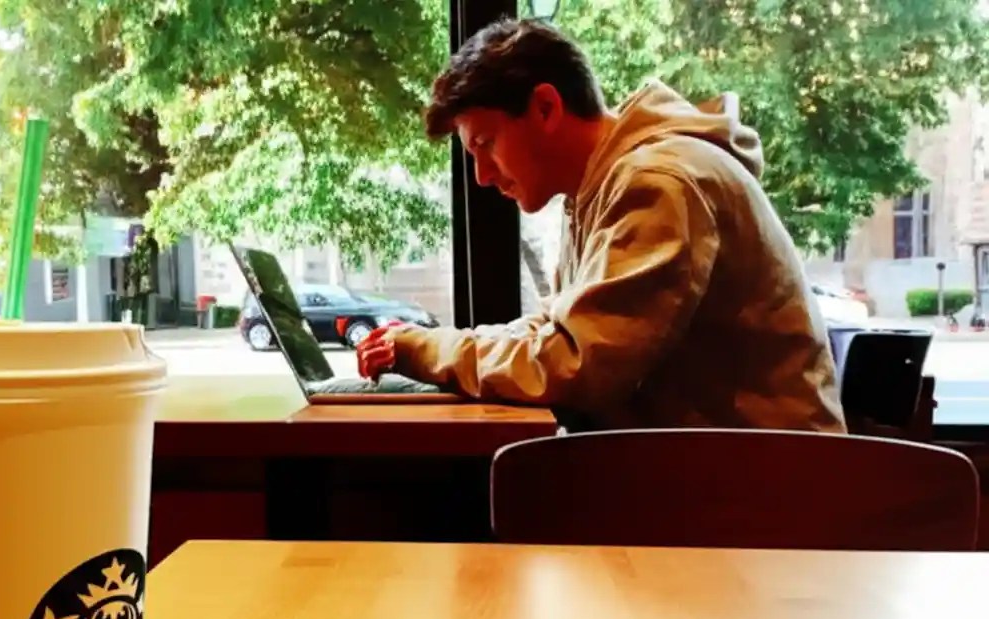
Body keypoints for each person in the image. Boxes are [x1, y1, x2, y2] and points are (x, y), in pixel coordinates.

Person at [357, 18, 845, 432]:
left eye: (485, 144)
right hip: (734, 473)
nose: (482, 177)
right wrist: (426, 345)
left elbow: (575, 365)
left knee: (471, 498)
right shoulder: (604, 188)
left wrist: (428, 348)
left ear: (546, 108)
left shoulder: (658, 183)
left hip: (767, 499)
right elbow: (556, 330)